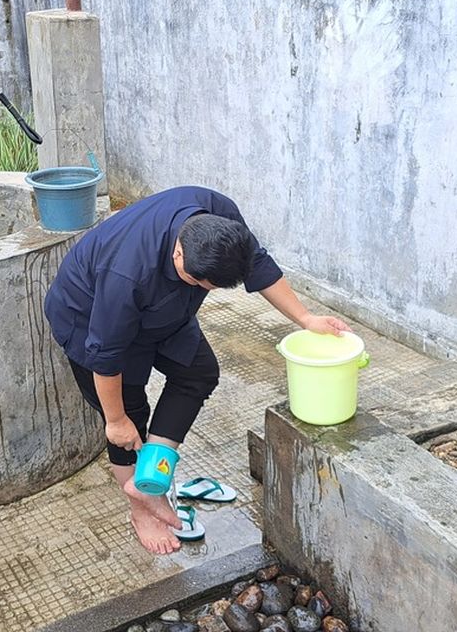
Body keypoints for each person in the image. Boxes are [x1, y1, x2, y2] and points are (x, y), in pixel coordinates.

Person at [45, 185, 349, 554]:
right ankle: (141, 510)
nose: (203, 289)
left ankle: (148, 482)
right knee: (130, 419)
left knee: (198, 372)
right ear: (178, 252)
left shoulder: (219, 215)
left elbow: (259, 264)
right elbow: (105, 353)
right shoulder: (128, 271)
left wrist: (306, 318)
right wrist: (114, 420)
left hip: (165, 311)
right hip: (90, 316)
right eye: (197, 282)